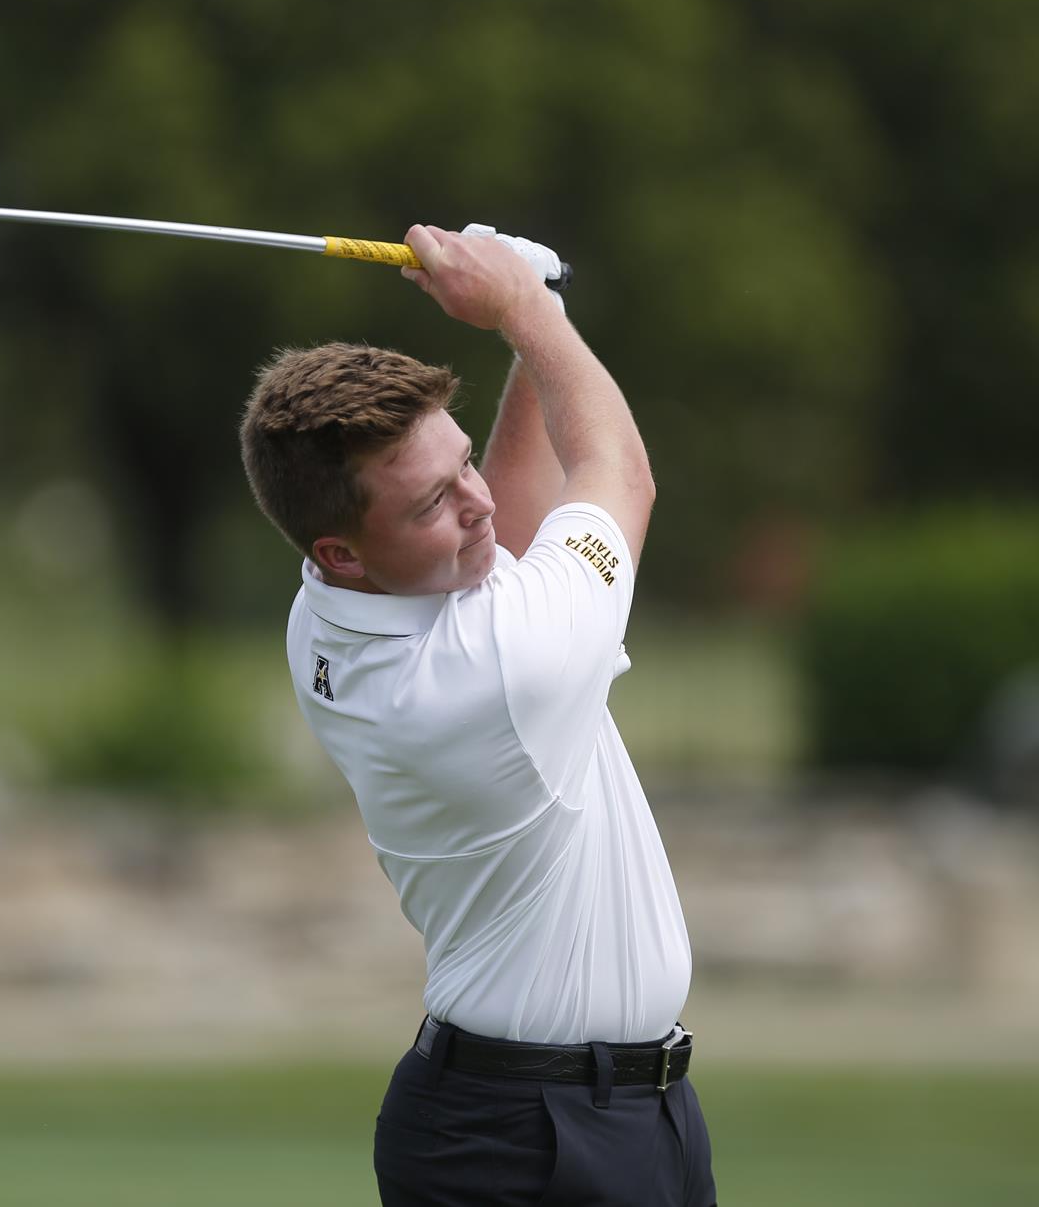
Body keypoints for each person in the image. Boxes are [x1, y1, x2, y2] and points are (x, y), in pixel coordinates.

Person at [239, 223, 713, 1206]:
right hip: (526, 1141)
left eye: (462, 463)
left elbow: (522, 521)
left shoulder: (344, 603)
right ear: (339, 549)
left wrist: (536, 316)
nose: (476, 504)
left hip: (604, 1115)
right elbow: (619, 474)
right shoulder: (487, 673)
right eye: (431, 502)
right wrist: (520, 311)